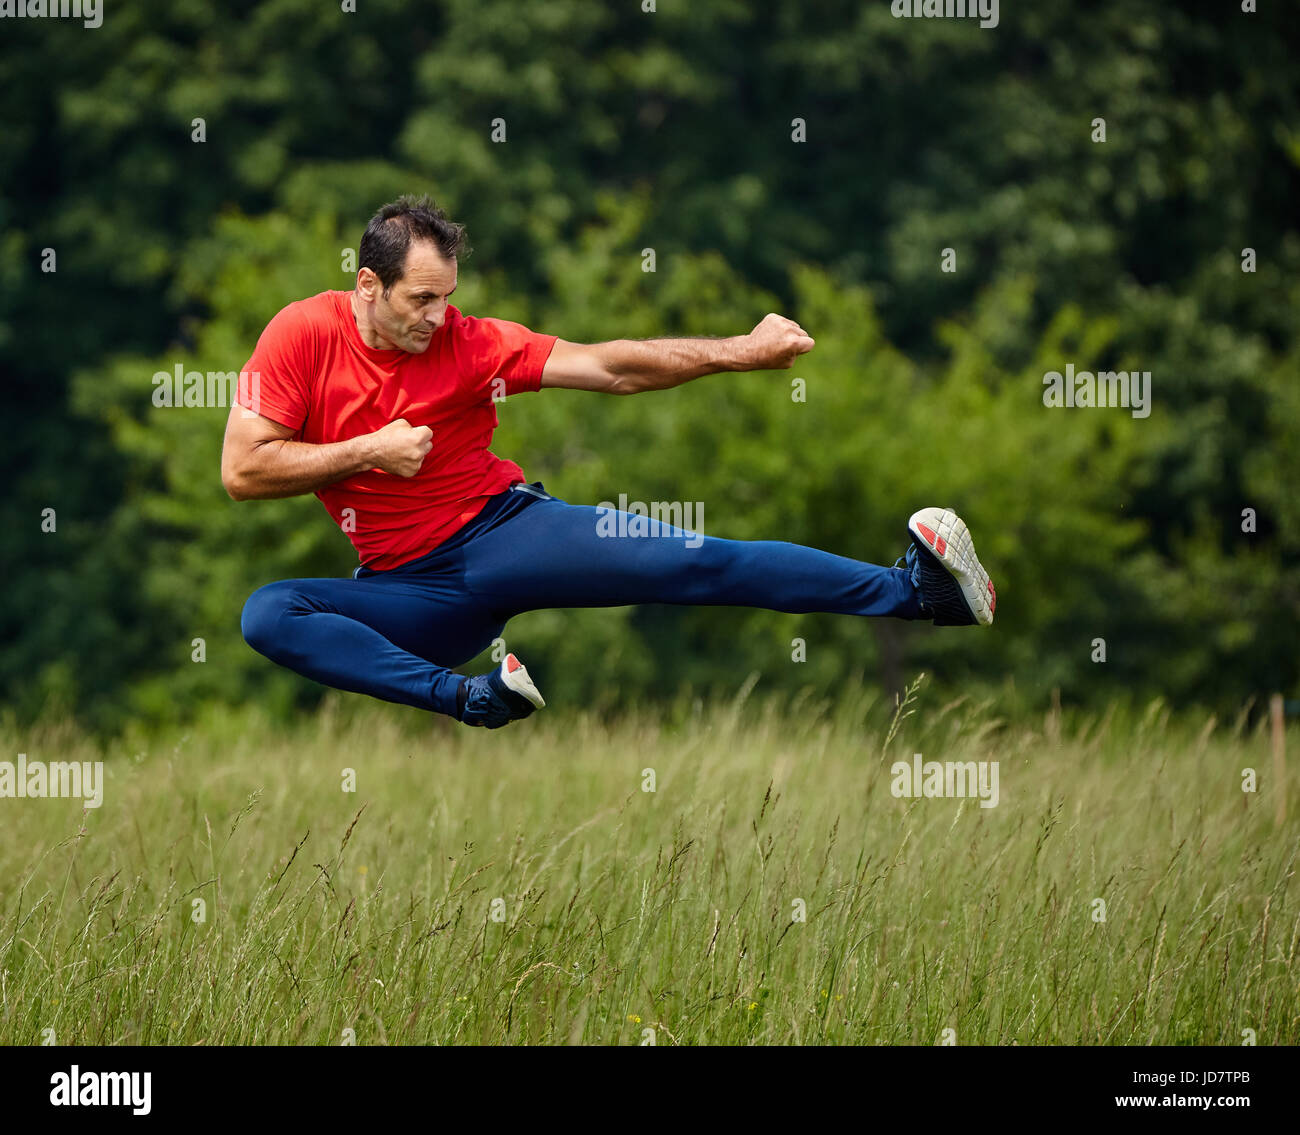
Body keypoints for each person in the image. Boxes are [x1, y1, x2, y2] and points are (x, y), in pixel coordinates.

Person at [222, 196, 995, 729]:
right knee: (269, 612)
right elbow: (244, 471)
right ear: (368, 284)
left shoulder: (472, 341)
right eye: (421, 299)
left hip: (502, 537)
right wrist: (370, 449)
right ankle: (471, 700)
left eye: (447, 296)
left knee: (696, 564)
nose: (439, 315)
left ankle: (918, 593)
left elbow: (612, 368)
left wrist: (743, 351)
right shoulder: (301, 335)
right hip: (410, 593)